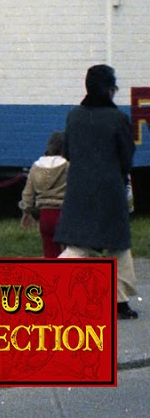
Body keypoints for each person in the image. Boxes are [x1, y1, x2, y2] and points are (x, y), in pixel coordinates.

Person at [54, 64, 138, 319]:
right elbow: (127, 155)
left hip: (79, 187)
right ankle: (119, 303)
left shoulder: (74, 116)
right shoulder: (118, 118)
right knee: (117, 246)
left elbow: (67, 151)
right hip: (110, 188)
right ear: (110, 90)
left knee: (79, 245)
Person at [19, 131, 68, 259]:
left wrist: (26, 211)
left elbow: (28, 193)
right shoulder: (68, 166)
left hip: (45, 216)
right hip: (64, 214)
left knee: (50, 254)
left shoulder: (36, 167)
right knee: (71, 253)